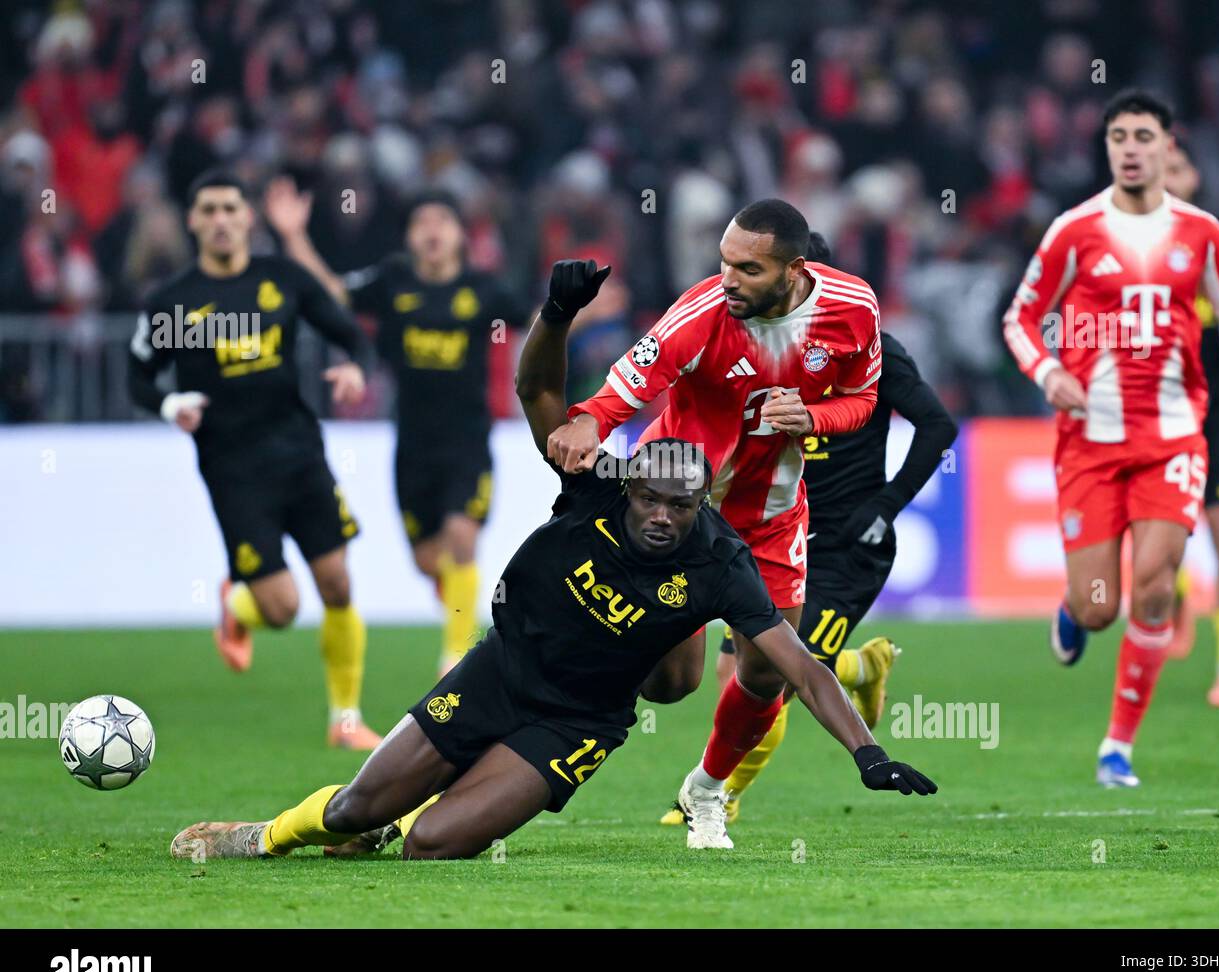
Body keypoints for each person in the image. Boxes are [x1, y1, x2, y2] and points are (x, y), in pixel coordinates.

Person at [168, 259, 936, 863]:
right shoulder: (593, 485)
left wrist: (868, 755)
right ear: (629, 485)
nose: (666, 515)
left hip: (574, 723)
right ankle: (259, 836)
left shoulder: (720, 557)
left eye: (683, 505)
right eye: (654, 500)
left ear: (702, 505)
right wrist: (558, 314)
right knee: (352, 811)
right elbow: (537, 387)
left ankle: (687, 779)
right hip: (499, 671)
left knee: (434, 843)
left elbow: (796, 664)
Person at [550, 200, 886, 848]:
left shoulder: (853, 309)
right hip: (677, 514)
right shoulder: (705, 310)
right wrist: (591, 418)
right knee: (671, 684)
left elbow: (864, 399)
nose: (727, 278)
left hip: (770, 514)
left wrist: (814, 420)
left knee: (765, 674)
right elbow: (633, 375)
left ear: (794, 270)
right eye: (724, 261)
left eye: (748, 268)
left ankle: (707, 792)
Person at [1001, 90, 1219, 787]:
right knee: (1100, 604)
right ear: (1109, 147)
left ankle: (1117, 745)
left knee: (1152, 587)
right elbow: (1020, 319)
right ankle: (1073, 607)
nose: (1132, 147)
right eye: (1120, 136)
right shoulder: (1073, 231)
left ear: (1167, 146)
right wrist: (1048, 369)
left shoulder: (1202, 231)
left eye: (1145, 135)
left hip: (1175, 438)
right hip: (1090, 443)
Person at [663, 234, 958, 824]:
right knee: (741, 673)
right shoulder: (745, 348)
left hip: (846, 546)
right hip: (772, 528)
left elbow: (937, 424)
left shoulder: (866, 346)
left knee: (774, 682)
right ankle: (863, 668)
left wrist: (888, 504)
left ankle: (717, 797)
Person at [128, 168, 382, 750]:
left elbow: (353, 333)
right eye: (209, 210)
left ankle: (345, 719)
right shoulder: (173, 304)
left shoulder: (284, 281)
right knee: (283, 608)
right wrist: (168, 403)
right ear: (193, 221)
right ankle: (236, 602)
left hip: (300, 451)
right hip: (232, 467)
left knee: (338, 584)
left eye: (230, 209)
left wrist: (355, 368)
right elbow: (136, 378)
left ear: (247, 218)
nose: (220, 220)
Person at [266, 180, 530, 675]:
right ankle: (454, 599)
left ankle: (456, 656)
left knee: (461, 537)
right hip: (411, 445)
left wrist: (576, 312)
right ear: (409, 236)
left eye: (442, 222)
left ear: (459, 236)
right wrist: (294, 237)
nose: (432, 232)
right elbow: (334, 292)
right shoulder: (393, 282)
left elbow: (535, 322)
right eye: (421, 223)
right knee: (430, 561)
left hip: (468, 442)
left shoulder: (482, 290)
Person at [1161, 139, 1219, 710]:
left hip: (1217, 412)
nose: (1168, 179)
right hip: (1159, 415)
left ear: (1195, 176)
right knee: (1161, 539)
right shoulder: (1128, 250)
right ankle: (1176, 603)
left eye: (1177, 168)